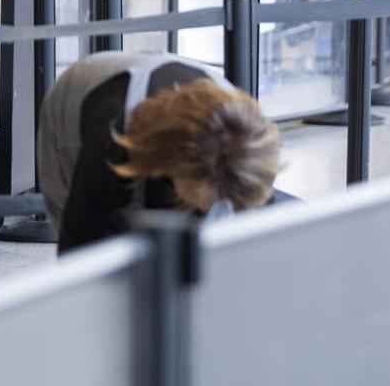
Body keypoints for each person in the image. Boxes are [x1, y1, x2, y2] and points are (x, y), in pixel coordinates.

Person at [38, 52, 283, 253]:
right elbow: (80, 244)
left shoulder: (248, 146)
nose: (211, 208)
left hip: (169, 123)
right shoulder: (113, 130)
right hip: (77, 102)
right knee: (107, 239)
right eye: (209, 199)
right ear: (174, 160)